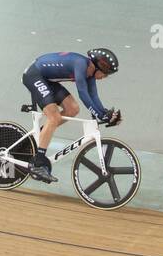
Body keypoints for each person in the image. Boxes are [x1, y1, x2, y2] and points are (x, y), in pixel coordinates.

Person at [21, 48, 121, 183]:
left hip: (47, 79)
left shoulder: (90, 74)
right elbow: (83, 93)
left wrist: (104, 113)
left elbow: (94, 96)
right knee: (54, 117)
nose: (105, 77)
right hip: (34, 75)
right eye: (105, 73)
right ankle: (38, 164)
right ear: (97, 66)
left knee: (73, 109)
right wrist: (100, 115)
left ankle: (42, 133)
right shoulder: (81, 64)